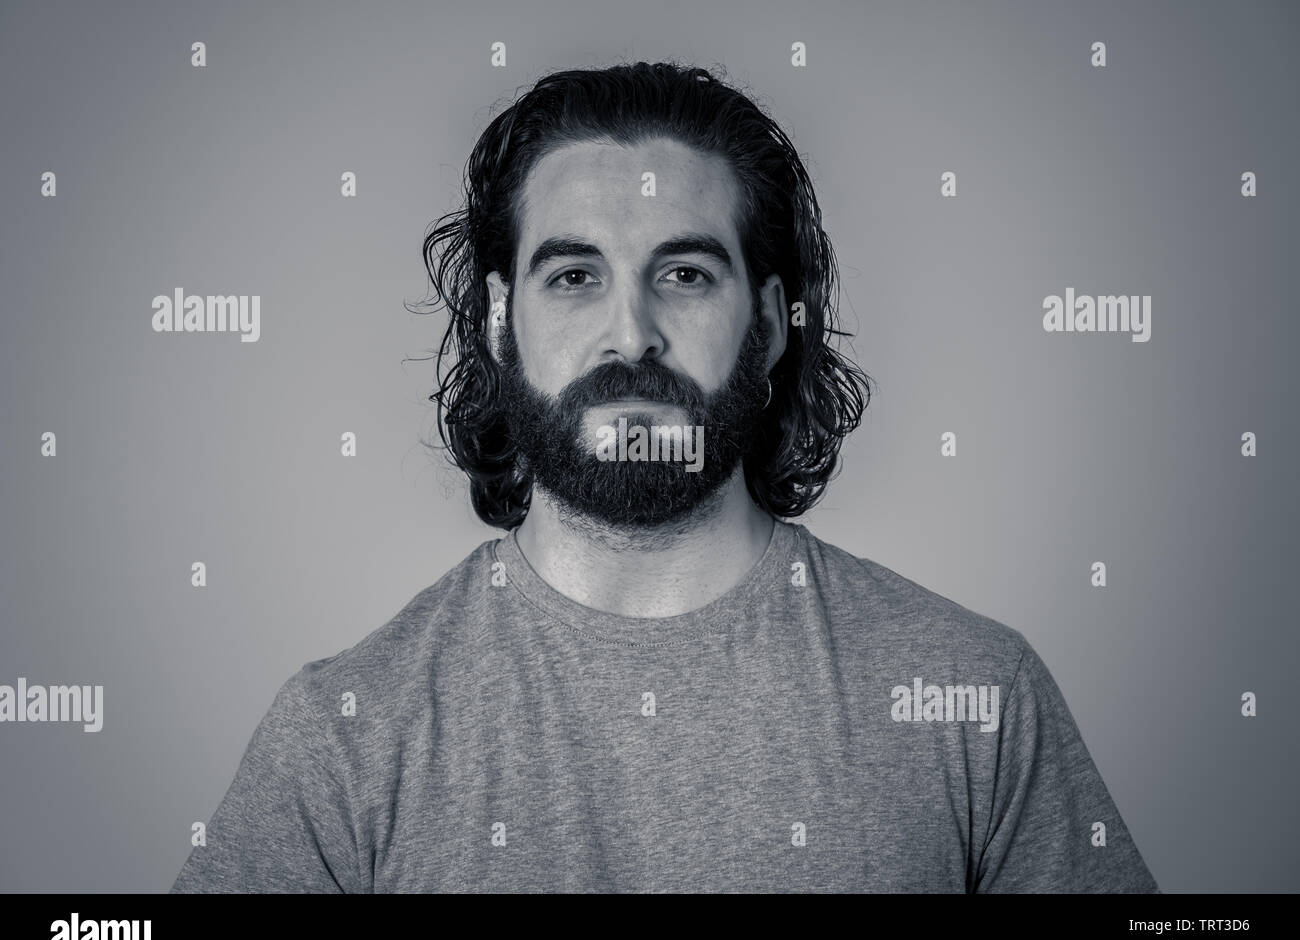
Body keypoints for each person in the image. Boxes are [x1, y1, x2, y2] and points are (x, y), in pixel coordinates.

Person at [170, 61, 1158, 893]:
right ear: (501, 320)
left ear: (769, 322)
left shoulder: (970, 695)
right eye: (575, 276)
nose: (631, 331)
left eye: (683, 273)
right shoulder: (347, 734)